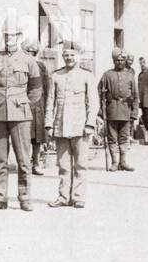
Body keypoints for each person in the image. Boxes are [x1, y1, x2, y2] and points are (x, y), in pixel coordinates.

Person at [0, 26, 43, 209]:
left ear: (19, 37)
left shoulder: (28, 60)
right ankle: (0, 197)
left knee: (23, 159)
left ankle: (24, 197)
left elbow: (36, 89)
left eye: (12, 36)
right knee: (0, 159)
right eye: (6, 36)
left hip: (21, 114)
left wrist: (24, 103)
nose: (9, 39)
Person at [46, 41, 98, 207]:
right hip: (61, 126)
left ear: (79, 56)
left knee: (80, 164)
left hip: (80, 127)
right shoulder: (56, 76)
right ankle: (63, 197)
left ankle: (78, 197)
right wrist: (49, 125)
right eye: (66, 55)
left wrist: (90, 124)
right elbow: (50, 102)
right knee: (63, 165)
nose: (69, 58)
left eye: (72, 55)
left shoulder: (87, 76)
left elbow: (93, 103)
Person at [98, 48, 139, 170]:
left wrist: (134, 112)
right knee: (112, 137)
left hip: (126, 110)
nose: (120, 62)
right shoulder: (107, 75)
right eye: (117, 60)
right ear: (113, 61)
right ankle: (114, 162)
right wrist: (102, 108)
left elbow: (135, 96)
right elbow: (99, 92)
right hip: (111, 110)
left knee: (124, 137)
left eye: (122, 60)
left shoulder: (130, 76)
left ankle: (123, 162)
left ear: (125, 61)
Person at [24, 40, 51, 174]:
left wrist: (46, 104)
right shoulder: (21, 64)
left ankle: (35, 163)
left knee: (37, 137)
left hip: (39, 104)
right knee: (24, 135)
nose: (31, 55)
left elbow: (46, 86)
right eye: (28, 52)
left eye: (33, 52)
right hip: (24, 103)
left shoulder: (41, 66)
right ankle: (24, 165)